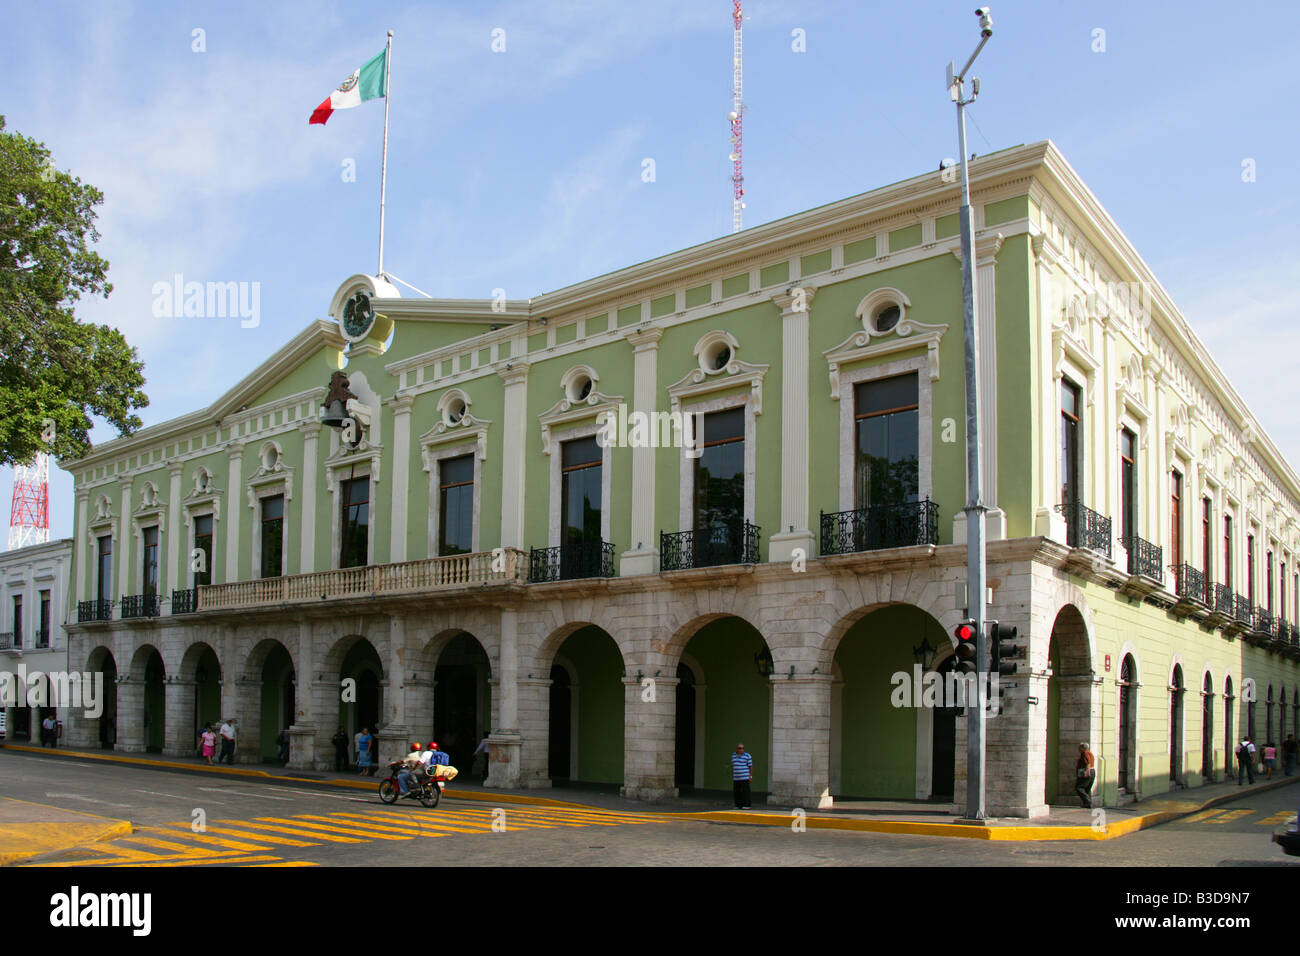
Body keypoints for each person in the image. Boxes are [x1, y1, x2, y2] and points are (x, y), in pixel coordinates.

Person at [730, 743, 753, 809]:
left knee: (745, 791)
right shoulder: (733, 755)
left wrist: (750, 776)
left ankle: (747, 805)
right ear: (737, 749)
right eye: (740, 748)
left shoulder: (747, 756)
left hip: (745, 777)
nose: (741, 749)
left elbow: (751, 767)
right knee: (736, 792)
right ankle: (738, 805)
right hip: (736, 778)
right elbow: (733, 765)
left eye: (743, 748)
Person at [1075, 742, 1096, 808]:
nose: (1078, 749)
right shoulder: (1090, 753)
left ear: (1083, 748)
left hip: (1087, 771)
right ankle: (1087, 804)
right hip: (1092, 771)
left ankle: (1088, 802)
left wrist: (1086, 772)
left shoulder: (1085, 753)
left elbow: (1088, 763)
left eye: (1080, 747)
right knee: (1087, 788)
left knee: (1079, 787)